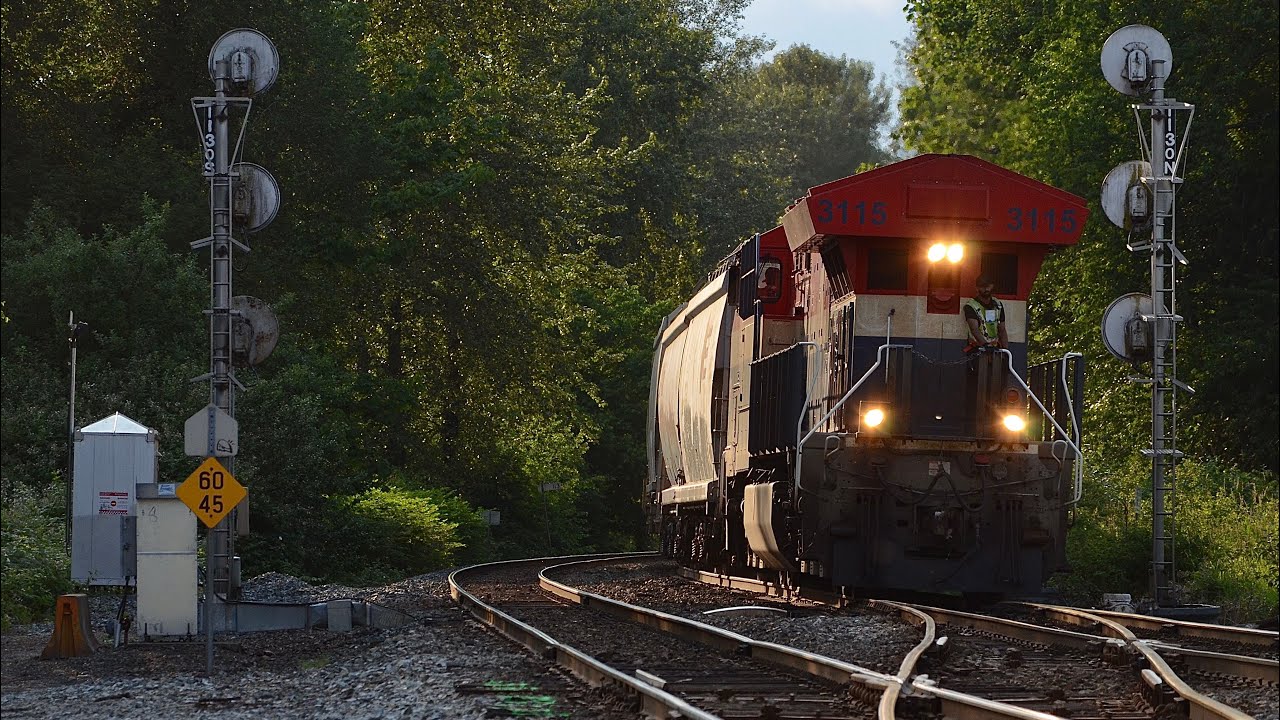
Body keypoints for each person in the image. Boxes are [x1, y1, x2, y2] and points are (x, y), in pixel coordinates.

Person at [963, 275, 1008, 352]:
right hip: (977, 349)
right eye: (982, 286)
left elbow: (1002, 330)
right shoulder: (970, 306)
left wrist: (1005, 350)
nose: (986, 289)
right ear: (977, 288)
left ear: (992, 286)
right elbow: (974, 329)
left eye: (988, 286)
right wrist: (986, 345)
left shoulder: (998, 305)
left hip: (995, 349)